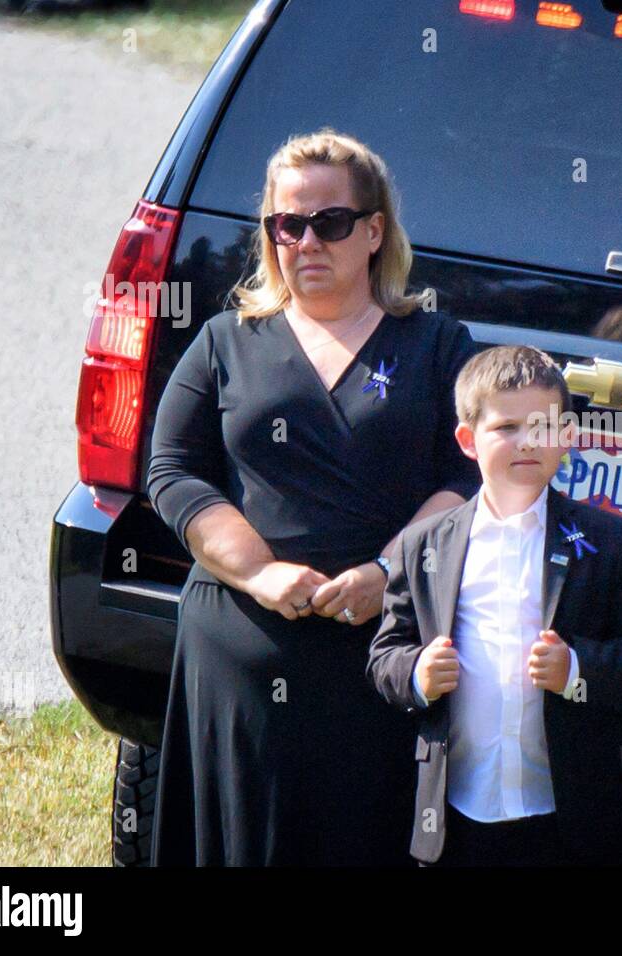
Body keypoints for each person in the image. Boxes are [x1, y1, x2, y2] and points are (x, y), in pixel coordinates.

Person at [146, 129, 482, 865]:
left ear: (373, 231)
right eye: (286, 225)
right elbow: (173, 470)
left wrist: (389, 576)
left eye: (328, 223)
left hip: (380, 651)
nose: (306, 242)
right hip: (239, 651)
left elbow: (467, 478)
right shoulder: (224, 341)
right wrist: (260, 573)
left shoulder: (436, 345)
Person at [367, 345, 622, 866]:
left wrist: (576, 669)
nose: (528, 441)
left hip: (563, 814)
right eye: (506, 427)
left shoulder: (608, 541)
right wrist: (417, 671)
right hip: (452, 812)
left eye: (544, 426)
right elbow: (385, 654)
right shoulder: (424, 546)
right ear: (468, 440)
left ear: (568, 439)